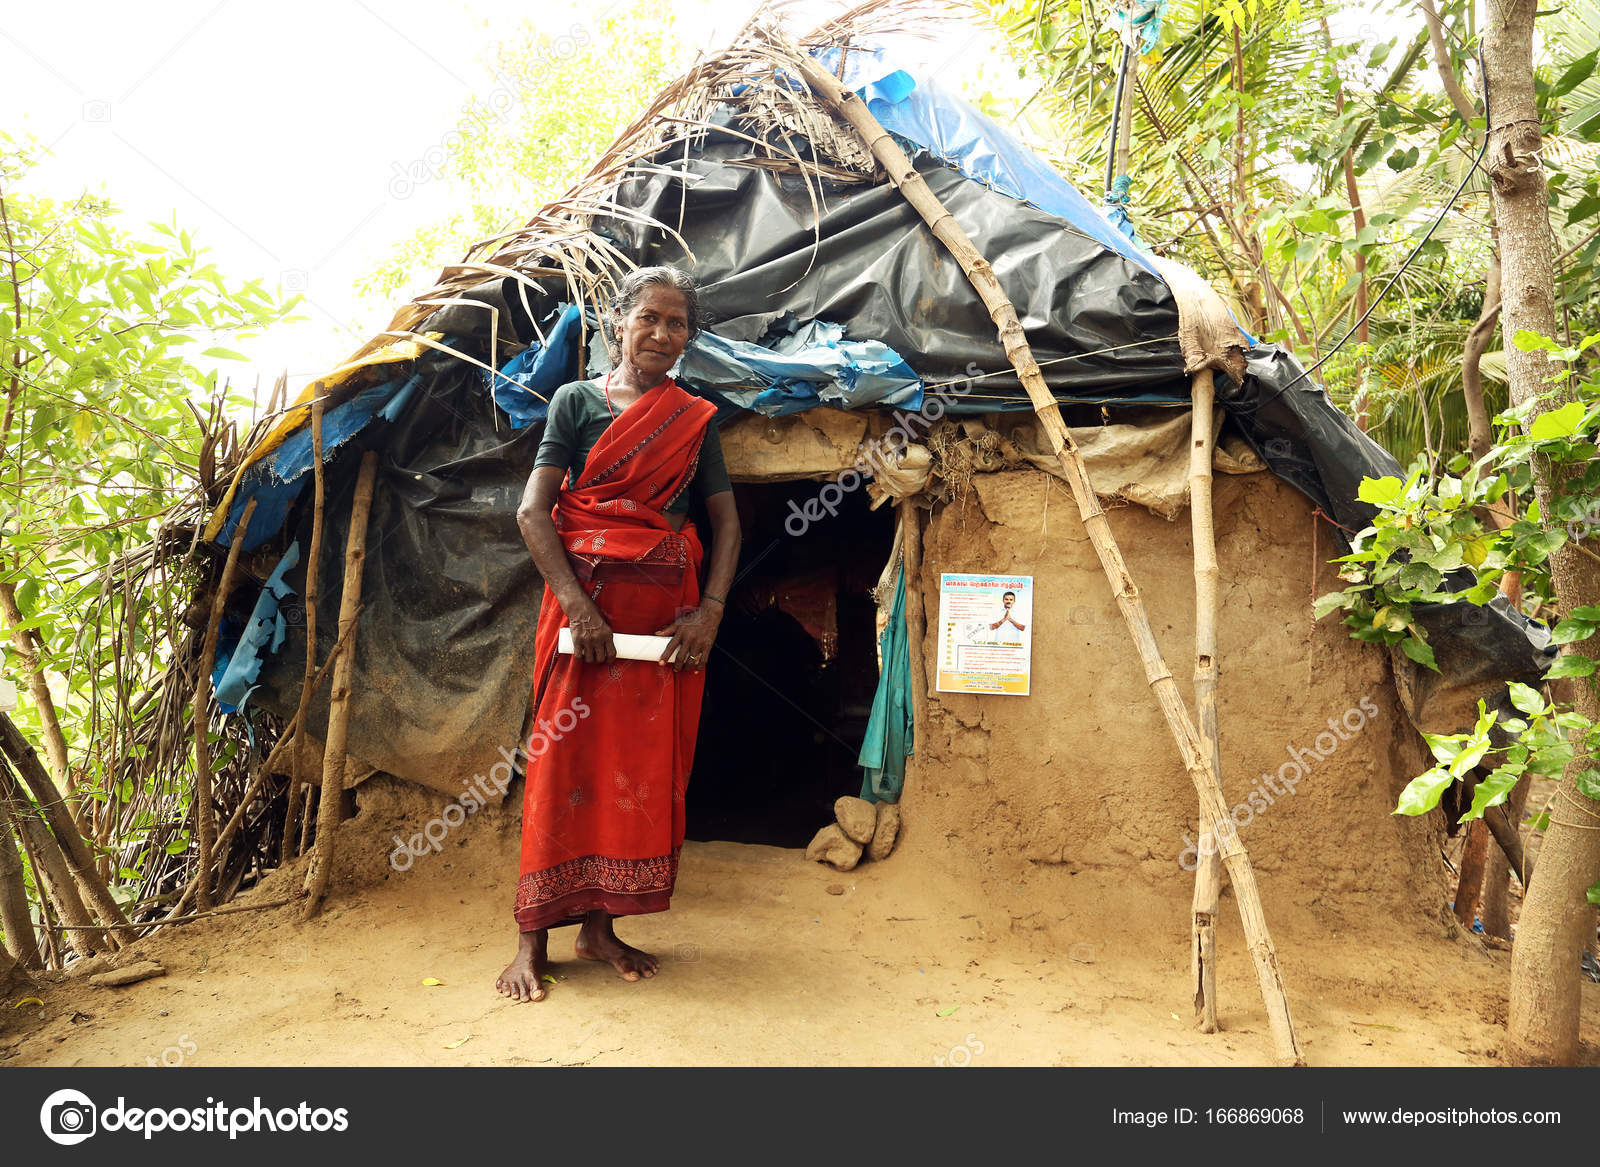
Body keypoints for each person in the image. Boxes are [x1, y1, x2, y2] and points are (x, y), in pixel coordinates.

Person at [496, 266, 740, 1002]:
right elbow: (533, 514)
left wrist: (711, 612)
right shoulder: (575, 403)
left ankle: (598, 928)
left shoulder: (696, 419)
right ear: (619, 320)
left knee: (632, 776)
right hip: (584, 629)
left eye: (677, 324)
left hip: (661, 635)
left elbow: (725, 524)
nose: (662, 334)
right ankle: (529, 941)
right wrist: (578, 608)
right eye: (650, 318)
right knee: (561, 768)